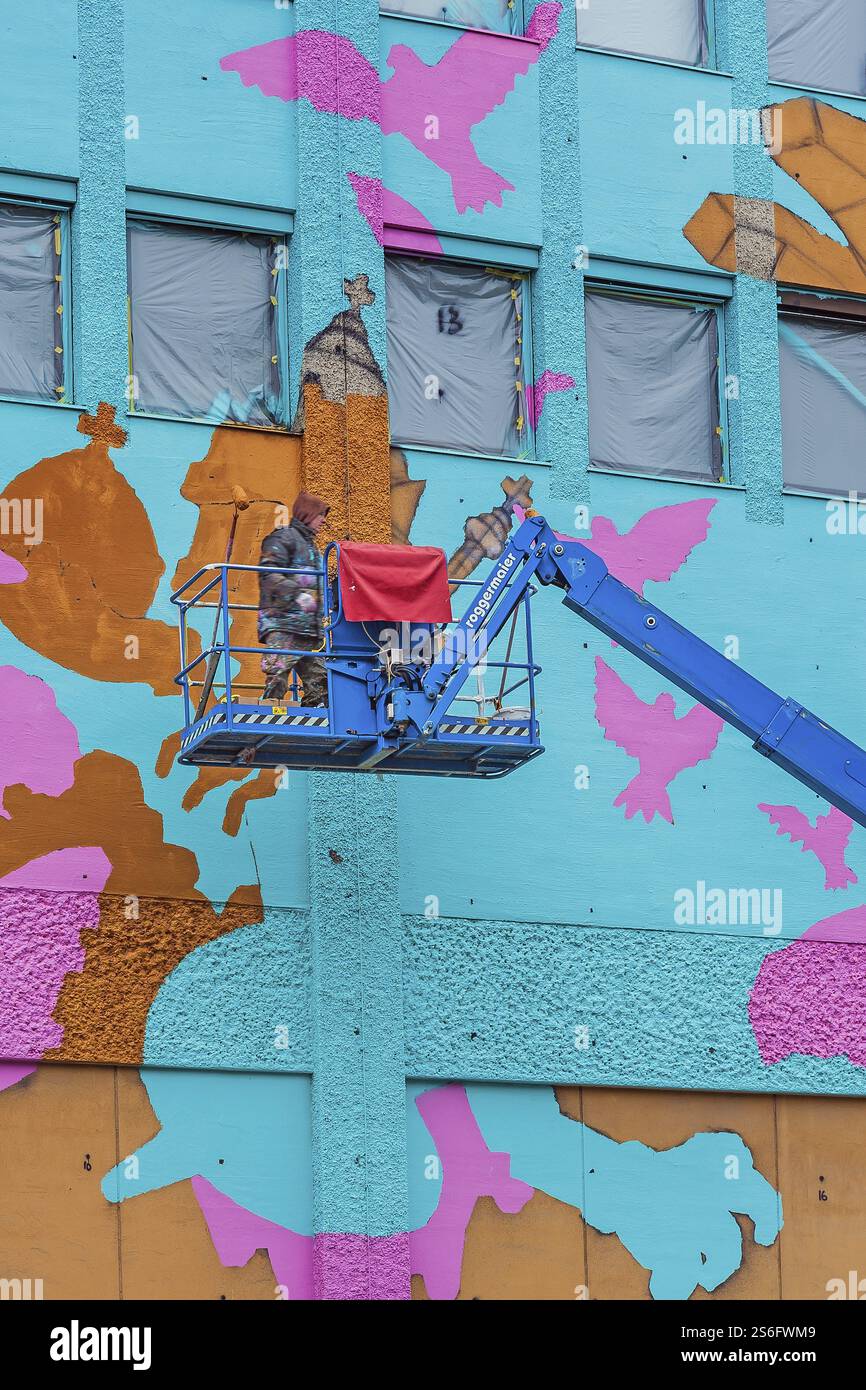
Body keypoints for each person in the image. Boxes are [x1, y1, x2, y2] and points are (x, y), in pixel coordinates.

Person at [258, 491, 330, 706]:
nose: (323, 521)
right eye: (320, 515)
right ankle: (268, 716)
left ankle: (315, 719)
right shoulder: (283, 537)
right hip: (284, 624)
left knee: (320, 683)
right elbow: (268, 572)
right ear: (307, 514)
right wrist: (297, 595)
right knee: (277, 678)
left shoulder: (311, 546)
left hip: (307, 629)